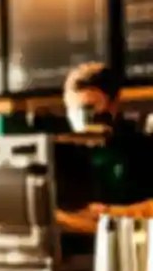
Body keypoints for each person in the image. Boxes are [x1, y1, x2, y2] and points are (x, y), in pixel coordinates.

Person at [53, 63, 153, 234]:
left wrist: (110, 214)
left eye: (90, 108)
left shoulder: (141, 149)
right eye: (75, 110)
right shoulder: (59, 153)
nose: (84, 119)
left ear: (113, 105)